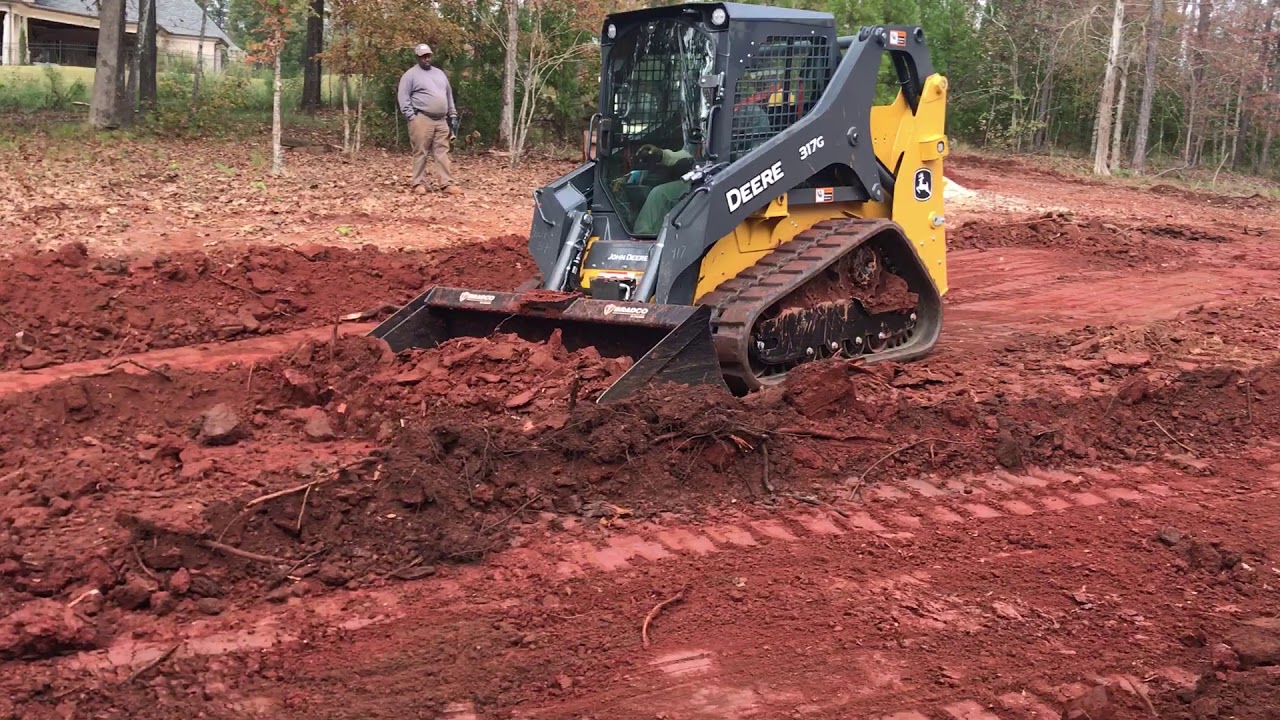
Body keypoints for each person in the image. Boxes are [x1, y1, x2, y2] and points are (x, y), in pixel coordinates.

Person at [397, 43, 461, 195]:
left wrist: (452, 114)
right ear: (418, 57)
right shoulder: (410, 75)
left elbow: (448, 94)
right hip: (421, 118)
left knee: (442, 152)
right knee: (421, 152)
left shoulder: (439, 74)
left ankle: (446, 184)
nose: (426, 59)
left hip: (441, 120)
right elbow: (403, 97)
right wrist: (411, 116)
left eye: (428, 56)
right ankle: (418, 183)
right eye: (422, 56)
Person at [629, 143, 695, 236]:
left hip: (707, 181)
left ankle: (643, 235)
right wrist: (661, 155)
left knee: (660, 194)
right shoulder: (700, 136)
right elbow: (689, 155)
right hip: (697, 177)